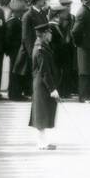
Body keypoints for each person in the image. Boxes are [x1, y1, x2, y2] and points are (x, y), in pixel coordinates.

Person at [29, 14, 60, 150]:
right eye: (49, 33)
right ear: (43, 34)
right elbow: (44, 71)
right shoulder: (40, 49)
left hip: (42, 84)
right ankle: (42, 143)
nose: (50, 35)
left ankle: (43, 142)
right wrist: (52, 89)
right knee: (41, 113)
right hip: (42, 85)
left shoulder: (43, 46)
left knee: (43, 112)